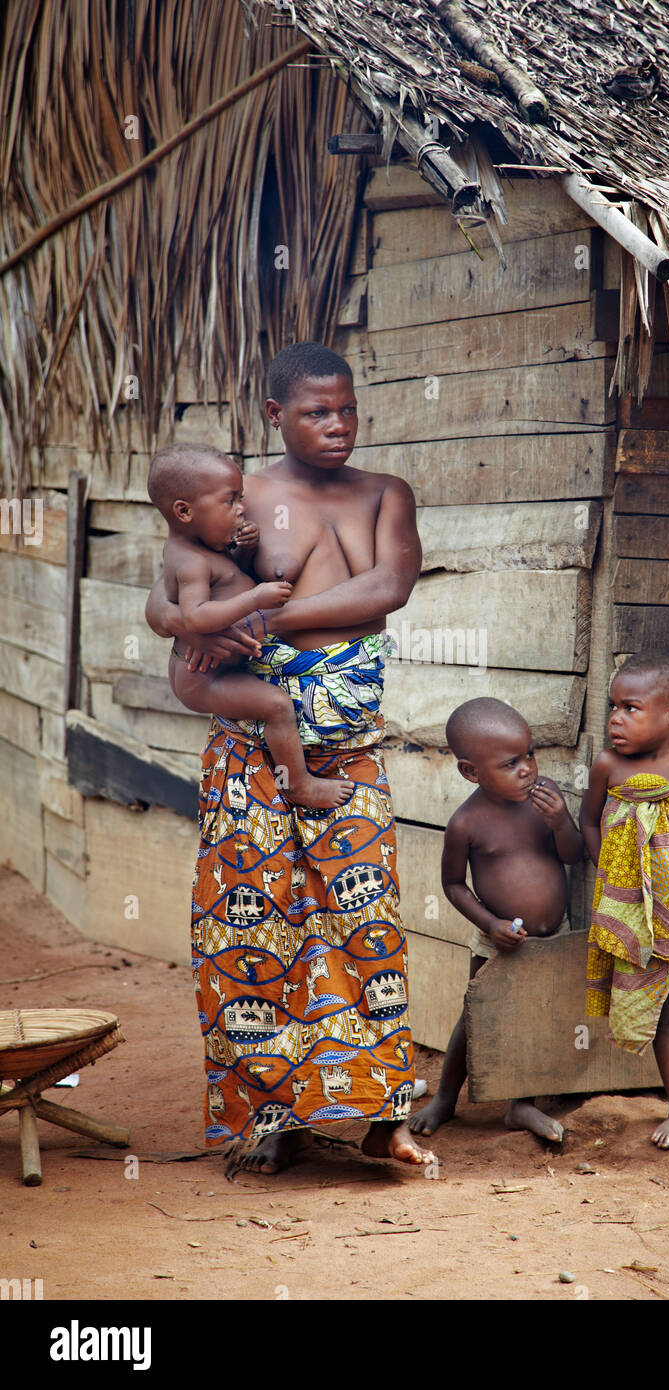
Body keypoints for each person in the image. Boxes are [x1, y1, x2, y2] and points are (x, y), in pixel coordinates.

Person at [145, 341, 434, 1177]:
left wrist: (268, 621)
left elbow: (390, 587)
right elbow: (179, 584)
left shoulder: (386, 494)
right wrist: (178, 627)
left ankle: (382, 1118)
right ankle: (272, 1115)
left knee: (364, 923)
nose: (337, 425)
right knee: (252, 926)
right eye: (316, 411)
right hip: (251, 753)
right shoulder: (240, 496)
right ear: (276, 415)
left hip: (348, 752)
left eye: (347, 408)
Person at [409, 697, 584, 1143]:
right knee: (476, 1015)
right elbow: (453, 886)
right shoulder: (467, 823)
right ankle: (447, 1098)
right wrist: (490, 925)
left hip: (552, 938)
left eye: (529, 753)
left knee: (538, 1017)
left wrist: (562, 820)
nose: (527, 767)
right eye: (510, 762)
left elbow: (573, 855)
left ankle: (521, 1105)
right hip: (498, 940)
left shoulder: (544, 802)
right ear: (472, 772)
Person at [146, 443, 353, 809]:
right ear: (184, 511)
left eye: (241, 498)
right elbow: (196, 617)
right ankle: (298, 784)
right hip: (202, 678)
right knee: (275, 705)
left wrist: (241, 550)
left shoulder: (202, 546)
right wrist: (255, 598)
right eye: (230, 501)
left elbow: (225, 579)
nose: (241, 508)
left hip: (216, 669)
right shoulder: (190, 560)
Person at [579, 650, 669, 1150]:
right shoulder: (608, 766)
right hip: (631, 913)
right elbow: (588, 821)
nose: (615, 719)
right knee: (663, 1009)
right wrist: (614, 878)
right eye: (612, 707)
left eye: (630, 708)